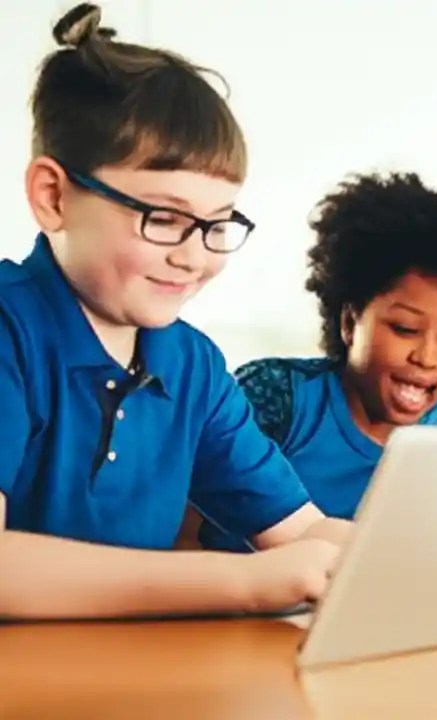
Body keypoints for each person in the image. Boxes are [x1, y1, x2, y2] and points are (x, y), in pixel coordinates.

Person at [0, 3, 349, 619]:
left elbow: (301, 534)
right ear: (53, 196)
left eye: (218, 224)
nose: (195, 257)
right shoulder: (11, 331)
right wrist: (245, 582)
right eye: (164, 218)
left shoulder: (191, 365)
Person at [195, 174, 437, 550]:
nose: (427, 358)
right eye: (405, 328)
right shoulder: (276, 395)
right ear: (349, 322)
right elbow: (181, 537)